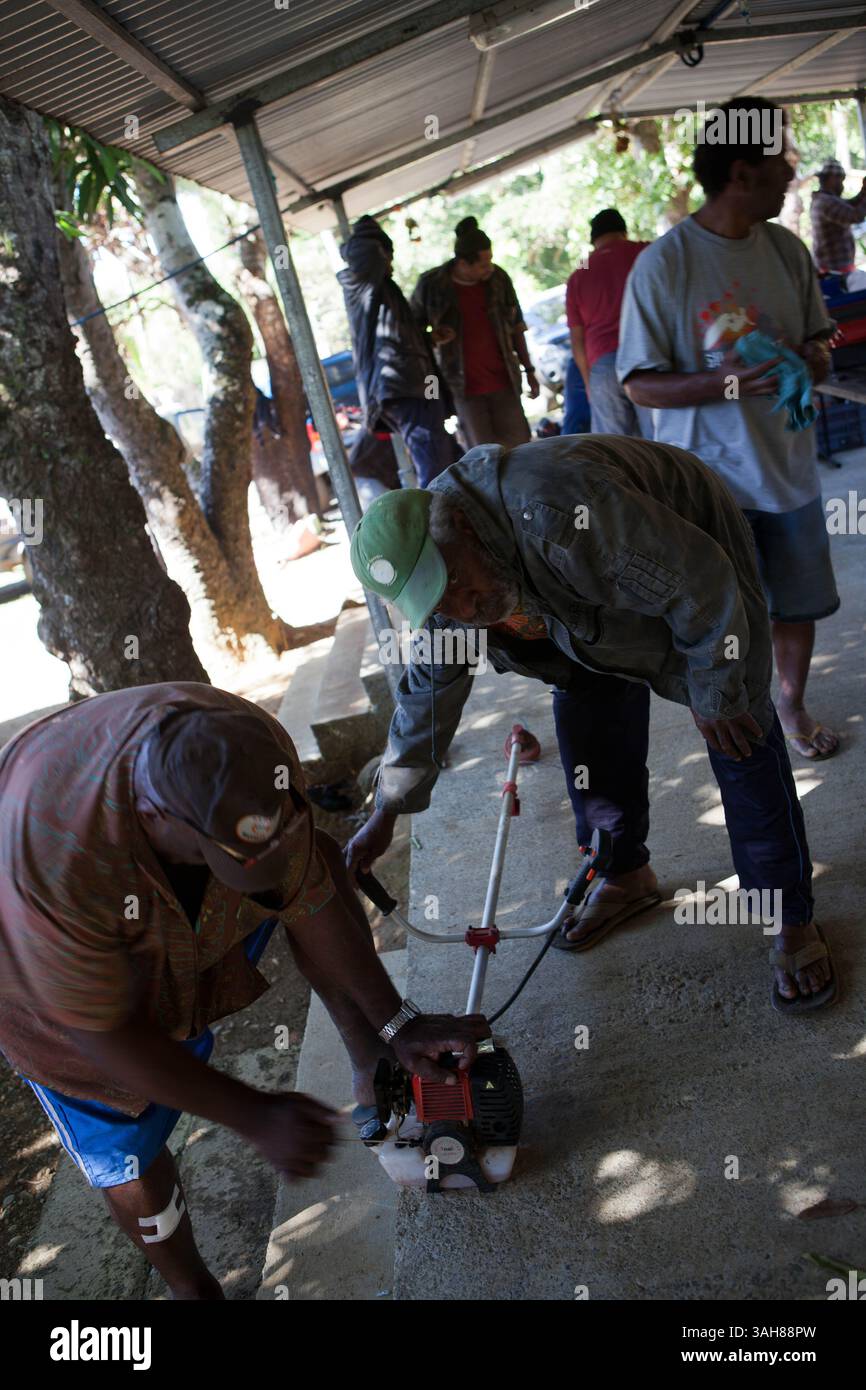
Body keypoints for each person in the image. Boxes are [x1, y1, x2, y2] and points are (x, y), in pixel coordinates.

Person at [0, 684, 487, 1299]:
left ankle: (370, 1057)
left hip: (170, 909)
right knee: (125, 1139)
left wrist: (397, 1022)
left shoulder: (249, 741)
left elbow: (307, 888)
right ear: (156, 818)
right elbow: (106, 1035)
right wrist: (254, 1114)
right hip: (55, 992)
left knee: (325, 865)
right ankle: (193, 1289)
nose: (270, 875)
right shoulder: (52, 860)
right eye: (238, 864)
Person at [347, 436, 836, 1016]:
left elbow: (700, 583)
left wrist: (718, 690)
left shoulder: (561, 512)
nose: (460, 606)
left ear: (463, 527)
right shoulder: (455, 587)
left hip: (687, 544)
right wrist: (387, 809)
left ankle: (787, 916)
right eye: (435, 601)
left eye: (453, 581)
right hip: (584, 595)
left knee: (737, 727)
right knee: (587, 709)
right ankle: (625, 872)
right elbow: (426, 693)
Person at [618, 97, 841, 762]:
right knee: (720, 621)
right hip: (708, 485)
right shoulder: (666, 265)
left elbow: (817, 334)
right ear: (743, 172)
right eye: (784, 162)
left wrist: (815, 357)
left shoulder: (786, 248)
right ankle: (732, 721)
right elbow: (639, 382)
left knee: (797, 605)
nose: (792, 175)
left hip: (789, 470)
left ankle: (791, 705)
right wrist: (736, 382)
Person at [337, 215, 454, 487]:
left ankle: (453, 513)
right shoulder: (363, 283)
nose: (389, 260)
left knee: (443, 455)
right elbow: (364, 253)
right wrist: (370, 231)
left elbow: (401, 334)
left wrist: (429, 337)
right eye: (386, 253)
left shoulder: (386, 289)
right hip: (401, 388)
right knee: (434, 466)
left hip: (418, 385)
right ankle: (438, 523)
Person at [411, 216, 539, 449]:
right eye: (482, 264)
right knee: (482, 456)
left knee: (522, 450)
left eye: (490, 260)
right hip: (462, 388)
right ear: (463, 263)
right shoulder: (432, 285)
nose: (488, 268)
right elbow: (411, 332)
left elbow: (516, 326)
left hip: (505, 382)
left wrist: (529, 370)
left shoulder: (498, 279)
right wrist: (433, 337)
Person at [565, 208, 651, 437]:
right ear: (623, 231)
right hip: (647, 357)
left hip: (603, 368)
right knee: (663, 442)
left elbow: (577, 342)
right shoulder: (645, 251)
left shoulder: (578, 276)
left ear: (594, 240)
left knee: (617, 452)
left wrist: (589, 384)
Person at [810, 157, 866, 275]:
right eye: (840, 180)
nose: (842, 185)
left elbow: (849, 205)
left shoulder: (826, 199)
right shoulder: (826, 203)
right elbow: (855, 215)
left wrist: (863, 191)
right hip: (834, 271)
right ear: (831, 179)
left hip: (836, 268)